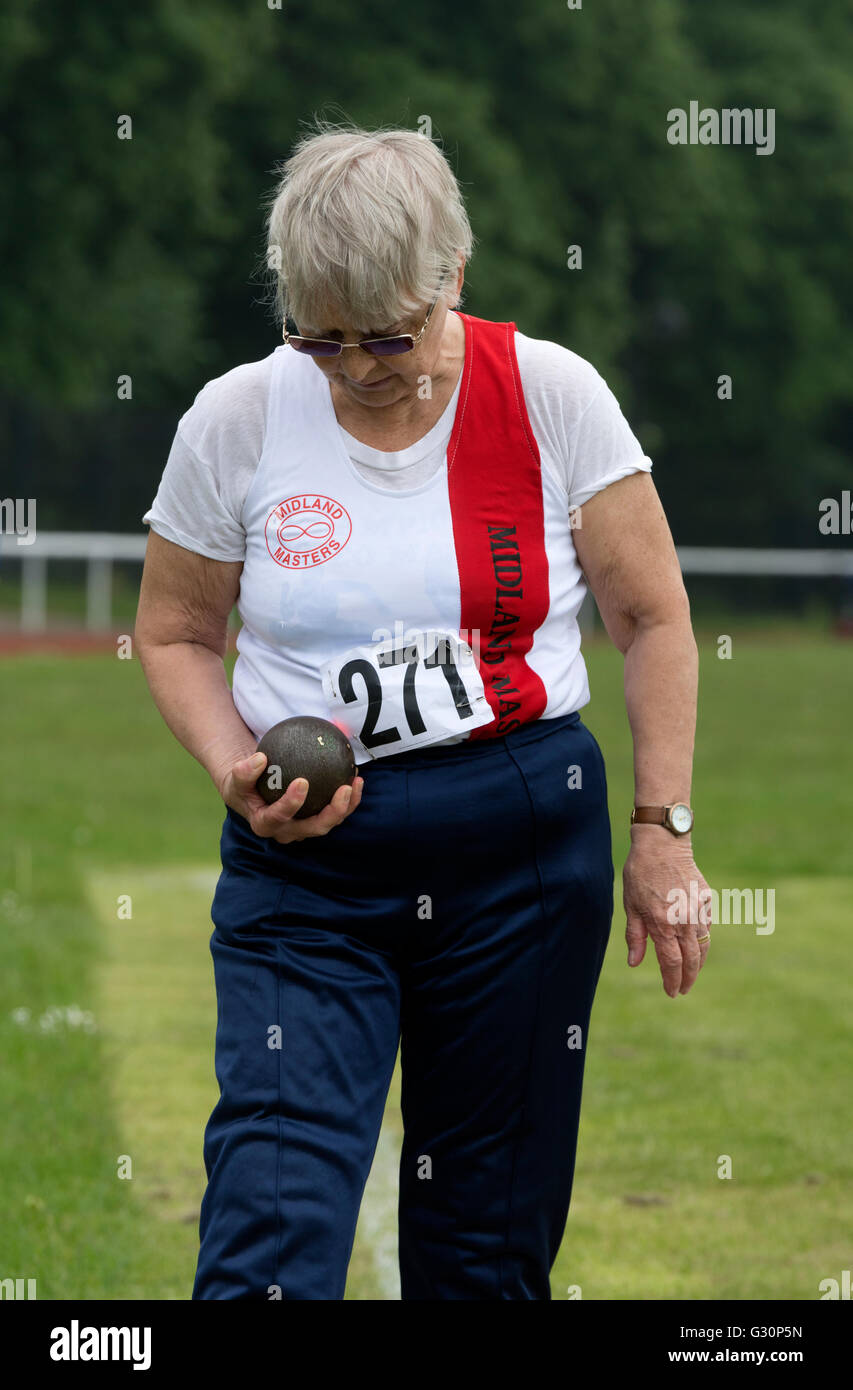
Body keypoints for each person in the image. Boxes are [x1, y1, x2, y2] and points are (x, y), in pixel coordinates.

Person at [135, 123, 711, 1301]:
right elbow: (176, 632)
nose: (358, 366)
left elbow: (651, 619)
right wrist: (231, 762)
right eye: (323, 336)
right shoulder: (238, 417)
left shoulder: (554, 395)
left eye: (389, 334)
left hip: (520, 848)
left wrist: (662, 828)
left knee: (484, 1254)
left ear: (456, 272)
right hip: (308, 862)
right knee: (270, 1227)